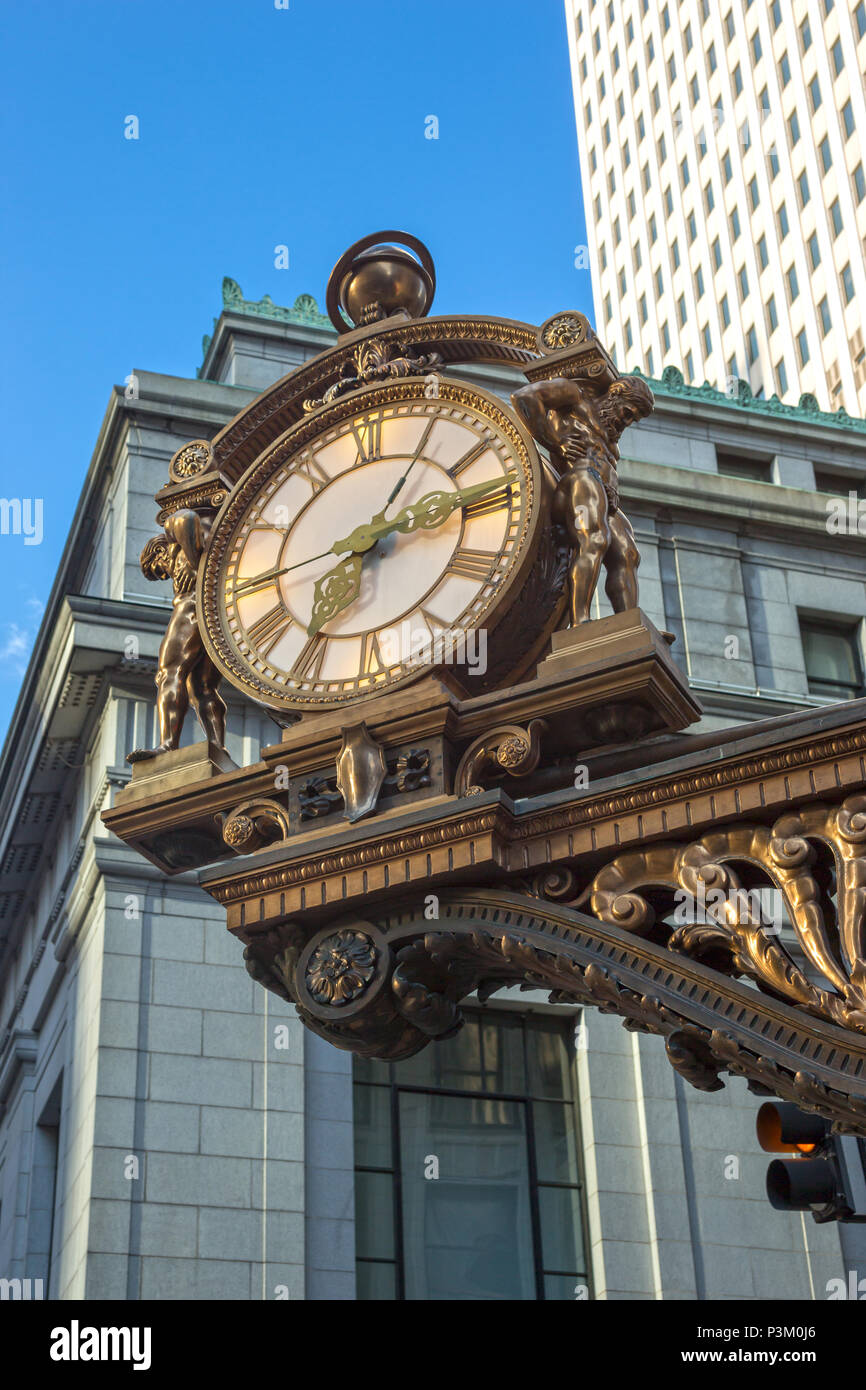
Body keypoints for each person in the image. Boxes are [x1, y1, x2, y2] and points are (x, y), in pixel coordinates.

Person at [512, 375, 653, 626]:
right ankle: (580, 621)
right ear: (615, 395)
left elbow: (610, 469)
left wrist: (613, 492)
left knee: (628, 553)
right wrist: (555, 441)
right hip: (577, 480)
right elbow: (524, 397)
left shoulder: (612, 439)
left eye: (633, 419)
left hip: (603, 492)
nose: (627, 421)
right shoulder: (575, 396)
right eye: (627, 412)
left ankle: (629, 626)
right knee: (595, 539)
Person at [127, 508, 226, 762]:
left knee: (168, 673)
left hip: (189, 608)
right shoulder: (209, 538)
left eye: (158, 570)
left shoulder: (177, 543)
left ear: (158, 552)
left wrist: (192, 560)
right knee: (202, 688)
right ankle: (217, 747)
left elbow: (184, 517)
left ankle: (168, 744)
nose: (165, 573)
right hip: (213, 611)